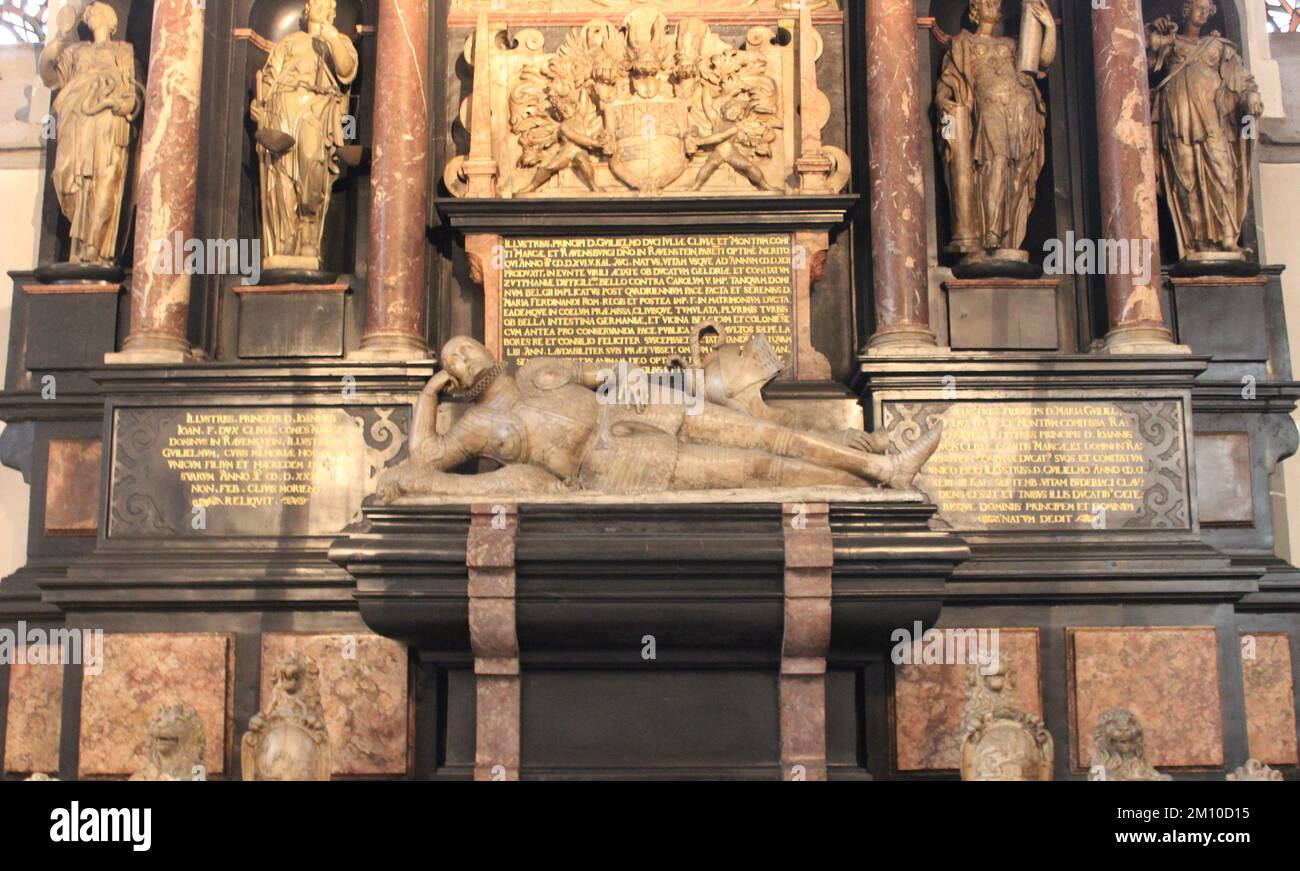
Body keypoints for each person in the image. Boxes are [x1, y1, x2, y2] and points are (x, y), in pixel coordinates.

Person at [376, 336, 942, 501]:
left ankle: (885, 466)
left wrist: (700, 386)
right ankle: (877, 480)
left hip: (643, 407)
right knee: (756, 470)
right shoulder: (475, 427)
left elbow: (613, 375)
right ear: (452, 378)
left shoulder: (539, 369)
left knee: (770, 434)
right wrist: (427, 396)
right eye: (452, 362)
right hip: (617, 461)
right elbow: (425, 460)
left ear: (485, 351)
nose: (464, 359)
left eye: (467, 349)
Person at [39, 2, 139, 267]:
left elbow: (133, 89)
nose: (89, 16)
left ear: (110, 19)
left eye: (94, 12)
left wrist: (129, 103)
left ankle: (96, 248)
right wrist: (59, 39)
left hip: (108, 125)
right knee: (69, 176)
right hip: (78, 123)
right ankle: (79, 248)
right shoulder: (76, 51)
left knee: (105, 183)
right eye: (87, 13)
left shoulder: (123, 51)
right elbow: (49, 75)